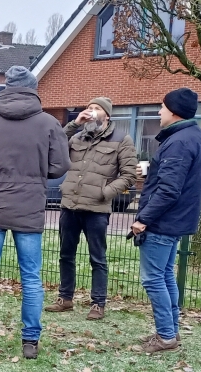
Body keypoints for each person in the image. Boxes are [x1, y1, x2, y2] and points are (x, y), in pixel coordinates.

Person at [0, 66, 70, 360]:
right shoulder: (48, 123)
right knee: (31, 278)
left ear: (5, 88)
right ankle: (30, 342)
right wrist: (36, 173)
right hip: (30, 208)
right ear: (33, 89)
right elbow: (60, 166)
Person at [47, 97, 139, 321]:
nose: (91, 111)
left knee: (97, 258)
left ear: (106, 115)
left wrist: (104, 192)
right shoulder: (77, 136)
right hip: (70, 205)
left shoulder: (122, 140)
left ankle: (98, 303)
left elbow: (129, 176)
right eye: (89, 108)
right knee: (65, 254)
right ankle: (65, 298)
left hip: (97, 210)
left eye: (97, 109)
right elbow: (54, 143)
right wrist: (74, 123)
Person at [131, 87, 201, 353]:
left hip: (164, 221)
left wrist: (143, 219)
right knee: (164, 275)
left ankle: (165, 336)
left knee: (153, 279)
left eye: (162, 107)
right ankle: (170, 331)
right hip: (176, 221)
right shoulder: (191, 136)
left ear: (173, 111)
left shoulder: (178, 142)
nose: (159, 111)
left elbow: (169, 190)